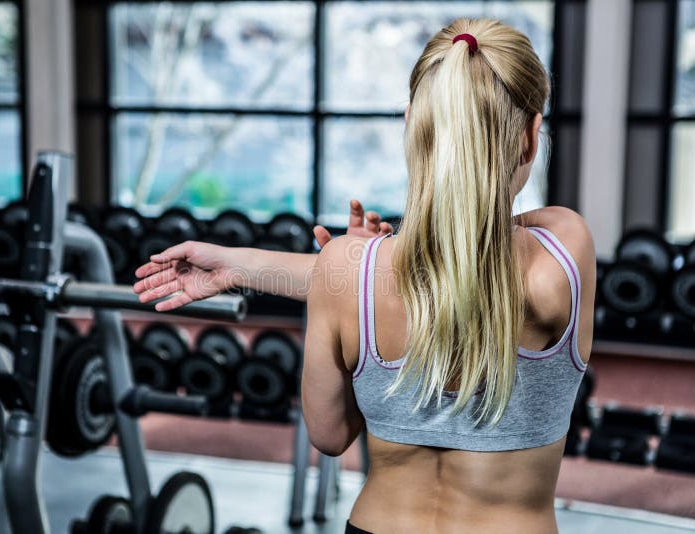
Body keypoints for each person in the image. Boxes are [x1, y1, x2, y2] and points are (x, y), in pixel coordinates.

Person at [134, 18, 595, 534]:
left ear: (411, 127)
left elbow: (331, 435)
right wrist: (367, 265)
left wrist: (359, 273)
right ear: (531, 136)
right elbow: (473, 253)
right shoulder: (565, 250)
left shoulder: (350, 271)